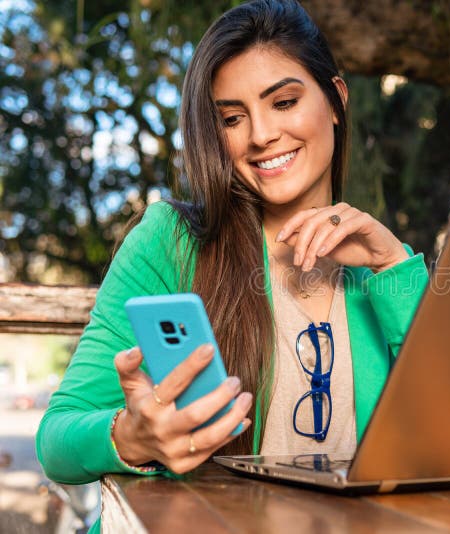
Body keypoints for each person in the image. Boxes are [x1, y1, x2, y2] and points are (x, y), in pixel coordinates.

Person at [36, 0, 428, 486]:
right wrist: (132, 437)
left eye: (283, 103)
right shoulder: (171, 242)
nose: (261, 135)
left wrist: (394, 264)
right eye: (231, 119)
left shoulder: (385, 270)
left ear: (335, 101)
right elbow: (56, 439)